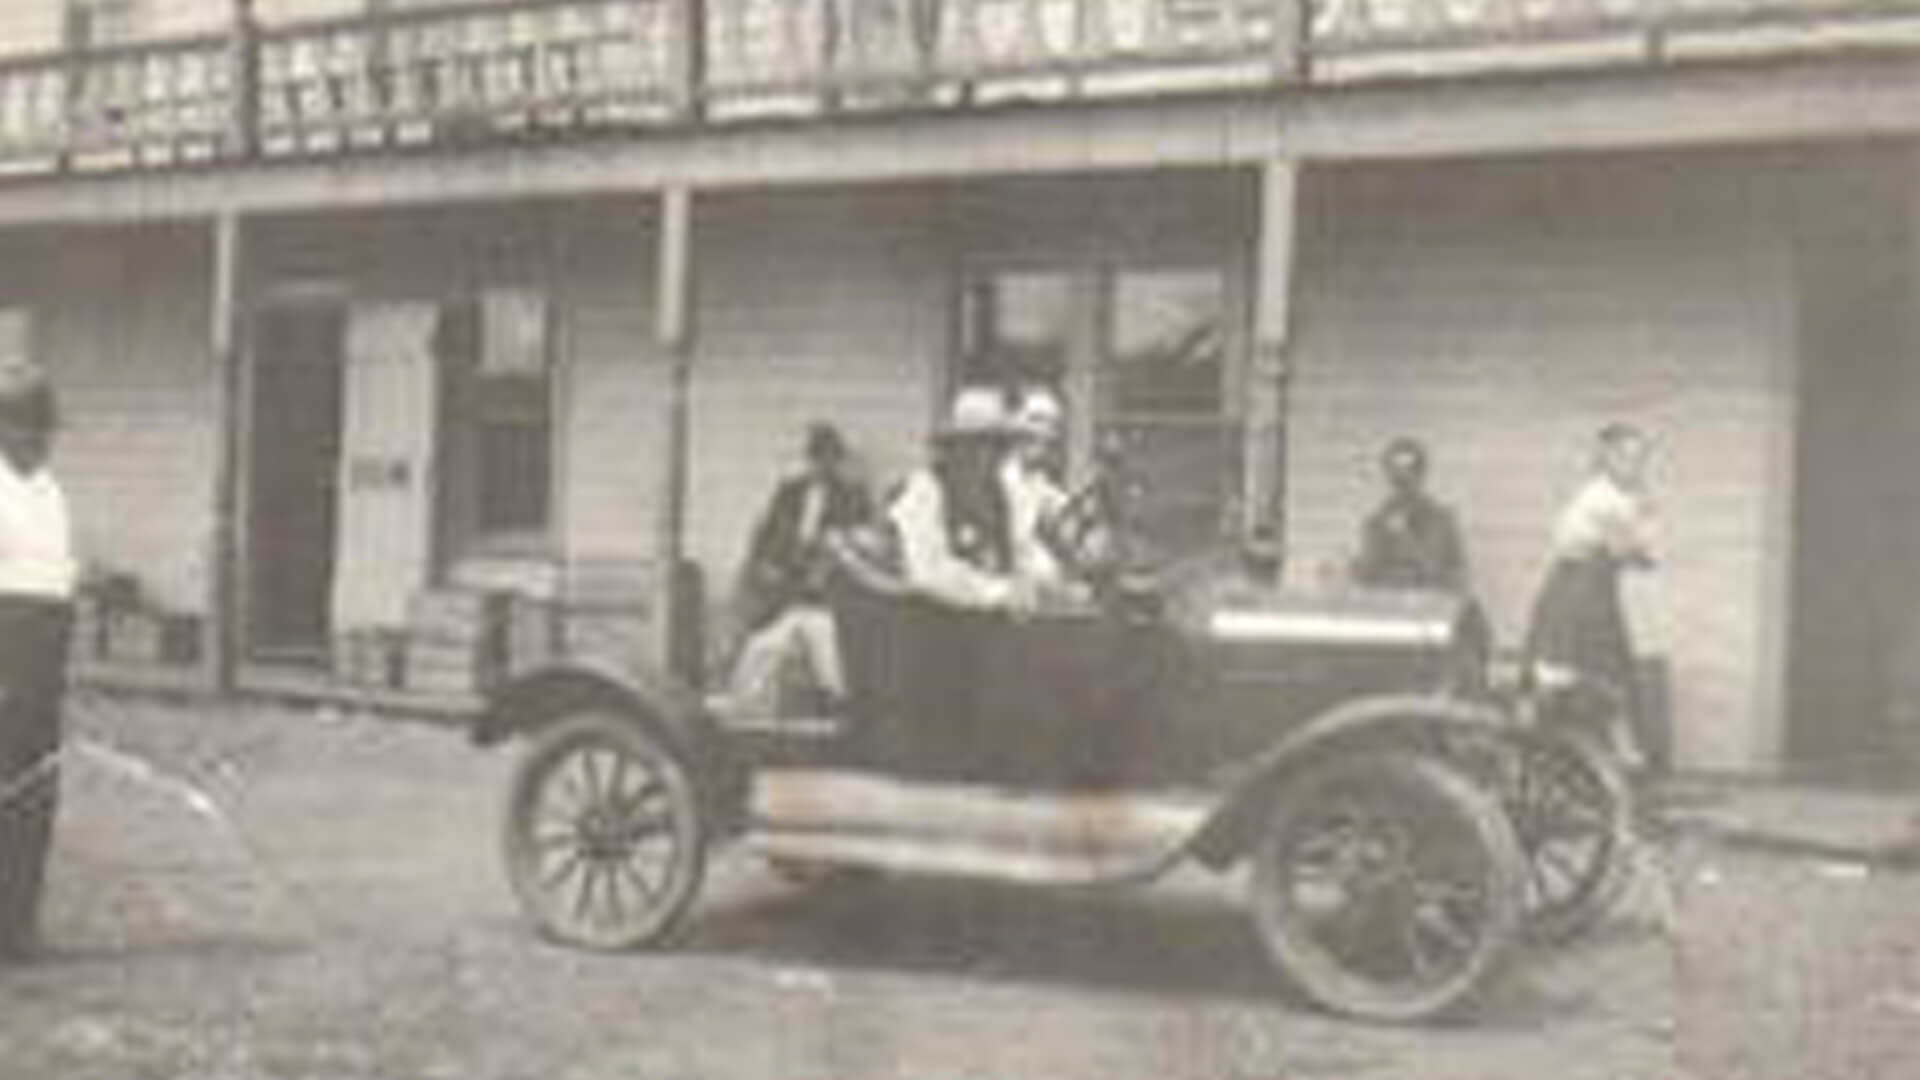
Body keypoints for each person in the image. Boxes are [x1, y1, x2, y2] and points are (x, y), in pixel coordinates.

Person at [1523, 422, 1658, 769]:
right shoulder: (1601, 497)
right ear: (1606, 458)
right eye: (1628, 456)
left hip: (1597, 593)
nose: (1637, 465)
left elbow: (1642, 555)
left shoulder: (1620, 499)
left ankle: (1622, 758)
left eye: (1642, 457)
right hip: (1575, 595)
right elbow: (1635, 551)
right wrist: (1633, 539)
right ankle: (1533, 752)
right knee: (1562, 678)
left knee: (1607, 681)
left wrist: (1633, 543)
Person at [0, 359, 76, 961]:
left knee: (36, 793)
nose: (40, 440)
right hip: (6, 652)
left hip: (44, 659)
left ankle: (19, 923)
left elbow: (56, 580)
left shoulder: (50, 492)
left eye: (46, 429)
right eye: (29, 427)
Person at [720, 422, 871, 717]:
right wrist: (766, 568)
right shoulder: (790, 492)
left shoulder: (852, 496)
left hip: (827, 597)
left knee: (830, 654)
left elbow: (858, 545)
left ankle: (840, 708)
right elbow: (764, 537)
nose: (819, 465)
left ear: (836, 460)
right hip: (785, 591)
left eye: (826, 458)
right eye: (814, 458)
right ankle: (746, 706)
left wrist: (829, 564)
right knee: (762, 649)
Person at [1352, 436, 1468, 592]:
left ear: (1421, 476)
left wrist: (1417, 553)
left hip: (1433, 607)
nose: (1403, 488)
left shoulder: (1442, 521)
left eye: (1410, 476)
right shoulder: (1376, 523)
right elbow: (1367, 576)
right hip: (1390, 609)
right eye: (1397, 479)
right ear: (1389, 477)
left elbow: (1459, 577)